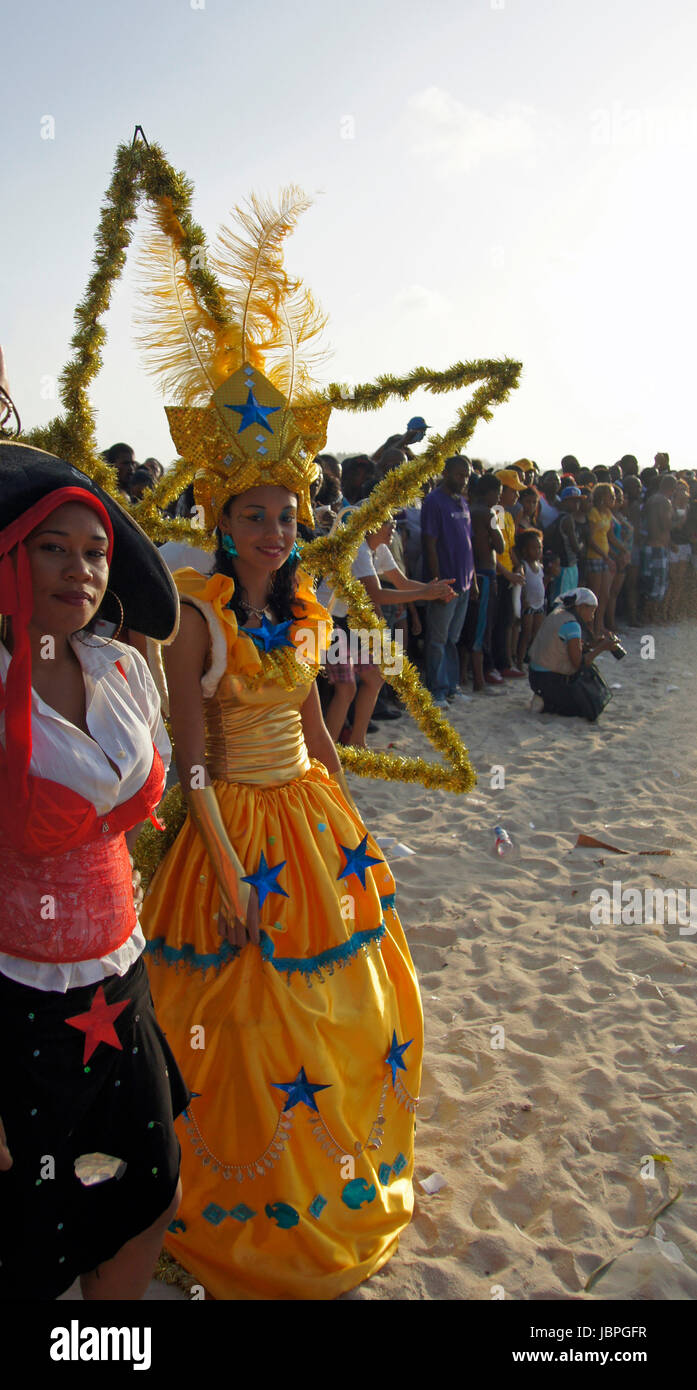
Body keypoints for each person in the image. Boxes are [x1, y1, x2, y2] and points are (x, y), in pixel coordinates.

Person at [0, 442, 188, 1301]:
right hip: (19, 999)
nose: (80, 567)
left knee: (151, 1182)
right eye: (54, 547)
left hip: (122, 976)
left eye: (95, 551)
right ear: (9, 557)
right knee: (32, 1223)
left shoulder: (118, 669)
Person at [421, 456, 477, 707]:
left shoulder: (463, 502)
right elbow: (429, 543)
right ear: (445, 473)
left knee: (452, 639)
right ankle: (436, 690)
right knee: (437, 640)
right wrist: (437, 581)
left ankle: (451, 686)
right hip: (446, 583)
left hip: (464, 583)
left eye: (466, 475)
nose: (463, 479)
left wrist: (472, 580)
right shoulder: (434, 502)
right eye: (458, 474)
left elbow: (468, 544)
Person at [528, 588, 618, 720]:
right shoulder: (572, 625)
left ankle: (545, 697)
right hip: (549, 680)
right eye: (592, 611)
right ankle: (546, 703)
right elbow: (579, 663)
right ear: (582, 607)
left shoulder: (558, 613)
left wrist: (595, 645)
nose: (592, 616)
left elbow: (566, 647)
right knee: (585, 708)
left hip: (535, 676)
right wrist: (602, 648)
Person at [467, 472, 505, 690]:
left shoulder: (470, 510)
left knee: (471, 628)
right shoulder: (487, 512)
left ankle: (465, 676)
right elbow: (500, 546)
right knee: (481, 630)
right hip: (484, 572)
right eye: (497, 494)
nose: (498, 499)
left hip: (474, 572)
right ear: (489, 492)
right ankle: (479, 681)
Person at [492, 470, 525, 679]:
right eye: (513, 491)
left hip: (509, 575)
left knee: (507, 620)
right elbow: (491, 551)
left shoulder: (509, 516)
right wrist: (507, 573)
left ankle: (505, 663)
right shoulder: (493, 514)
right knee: (497, 623)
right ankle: (497, 665)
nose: (517, 496)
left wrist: (518, 567)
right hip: (498, 575)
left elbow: (510, 549)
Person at [640, 473, 676, 622]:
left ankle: (648, 616)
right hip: (658, 547)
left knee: (650, 583)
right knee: (657, 585)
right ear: (672, 488)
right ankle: (650, 616)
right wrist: (679, 521)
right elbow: (665, 524)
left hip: (649, 545)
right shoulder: (664, 501)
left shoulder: (651, 499)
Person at [543, 485, 582, 599]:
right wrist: (582, 546)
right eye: (572, 501)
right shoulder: (567, 519)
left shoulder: (564, 517)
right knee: (562, 600)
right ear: (564, 502)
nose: (576, 504)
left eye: (578, 501)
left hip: (570, 565)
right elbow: (575, 547)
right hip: (565, 565)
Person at [516, 528, 546, 667]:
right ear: (524, 550)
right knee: (525, 634)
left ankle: (532, 659)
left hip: (539, 605)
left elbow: (542, 584)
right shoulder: (524, 566)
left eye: (539, 547)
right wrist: (523, 600)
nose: (538, 551)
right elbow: (521, 585)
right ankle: (520, 660)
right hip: (528, 605)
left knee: (536, 634)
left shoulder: (539, 566)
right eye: (533, 548)